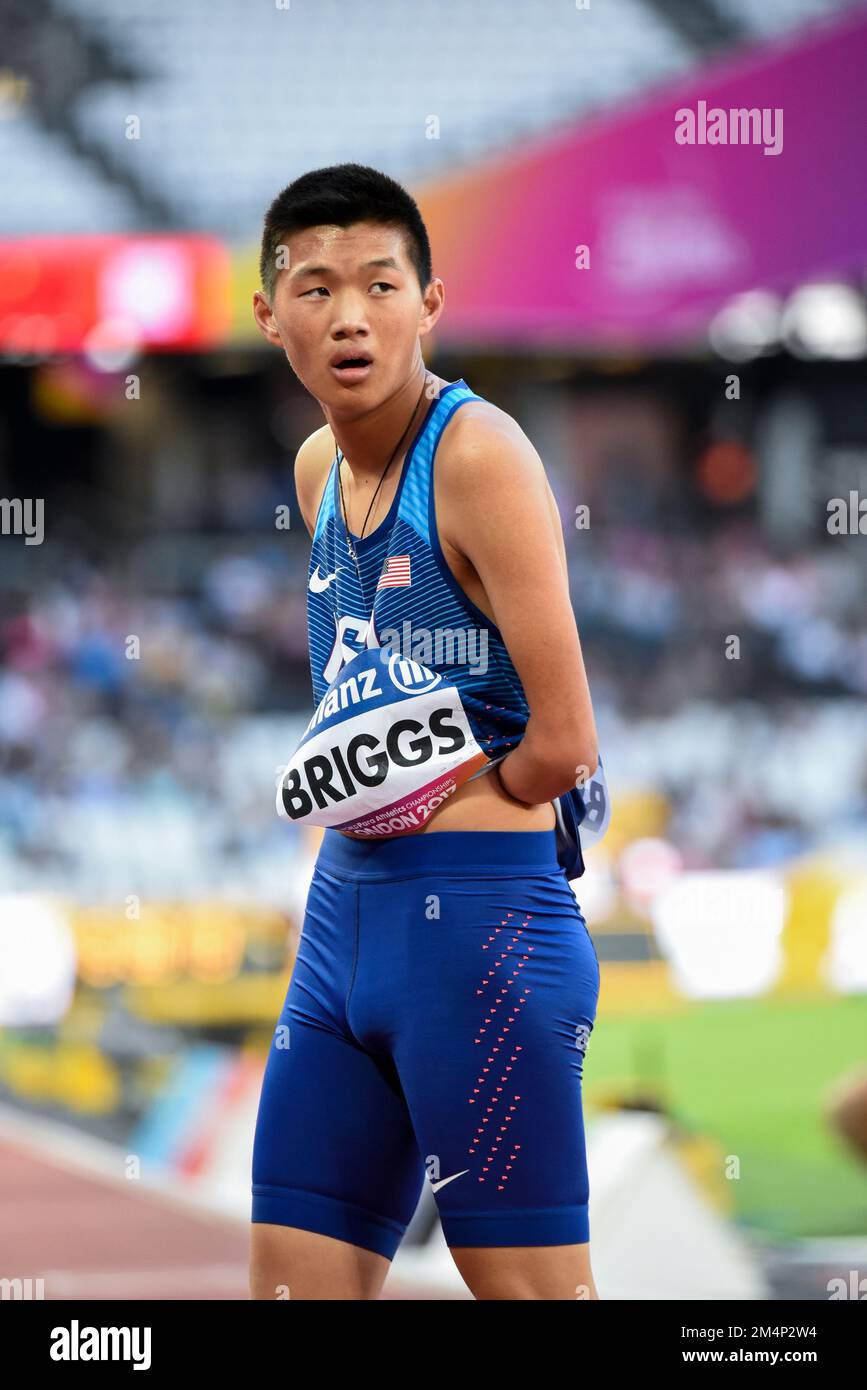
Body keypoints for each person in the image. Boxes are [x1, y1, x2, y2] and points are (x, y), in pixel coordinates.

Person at [249, 163, 602, 1300]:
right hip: (339, 925)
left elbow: (566, 742)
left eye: (379, 284)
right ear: (270, 316)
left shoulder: (479, 455)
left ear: (428, 305)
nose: (348, 315)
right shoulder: (315, 469)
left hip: (481, 930)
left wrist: (435, 800)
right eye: (314, 289)